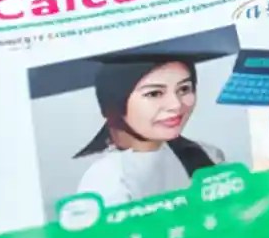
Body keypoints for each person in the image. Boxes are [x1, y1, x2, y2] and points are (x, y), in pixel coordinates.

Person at [74, 55, 225, 207]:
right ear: (114, 101)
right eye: (154, 93)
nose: (176, 105)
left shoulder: (207, 154)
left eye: (184, 89)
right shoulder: (105, 179)